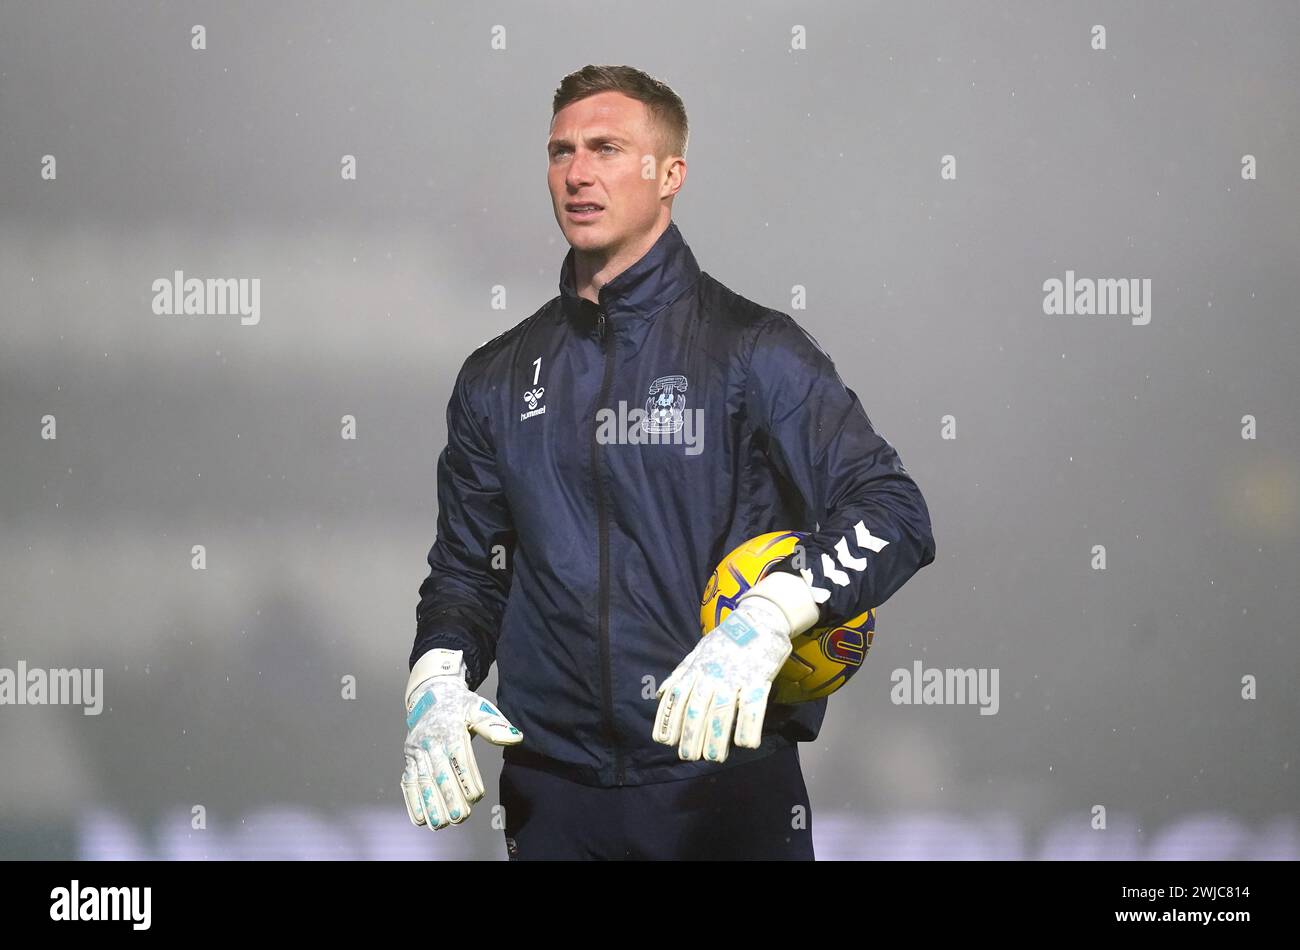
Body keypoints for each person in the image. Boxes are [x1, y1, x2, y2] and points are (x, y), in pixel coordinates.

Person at [400, 64, 936, 860]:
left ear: (671, 174)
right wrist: (437, 675)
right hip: (552, 801)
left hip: (721, 791)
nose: (578, 173)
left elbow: (894, 512)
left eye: (608, 148)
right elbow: (469, 572)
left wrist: (768, 617)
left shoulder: (753, 349)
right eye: (561, 152)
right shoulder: (497, 376)